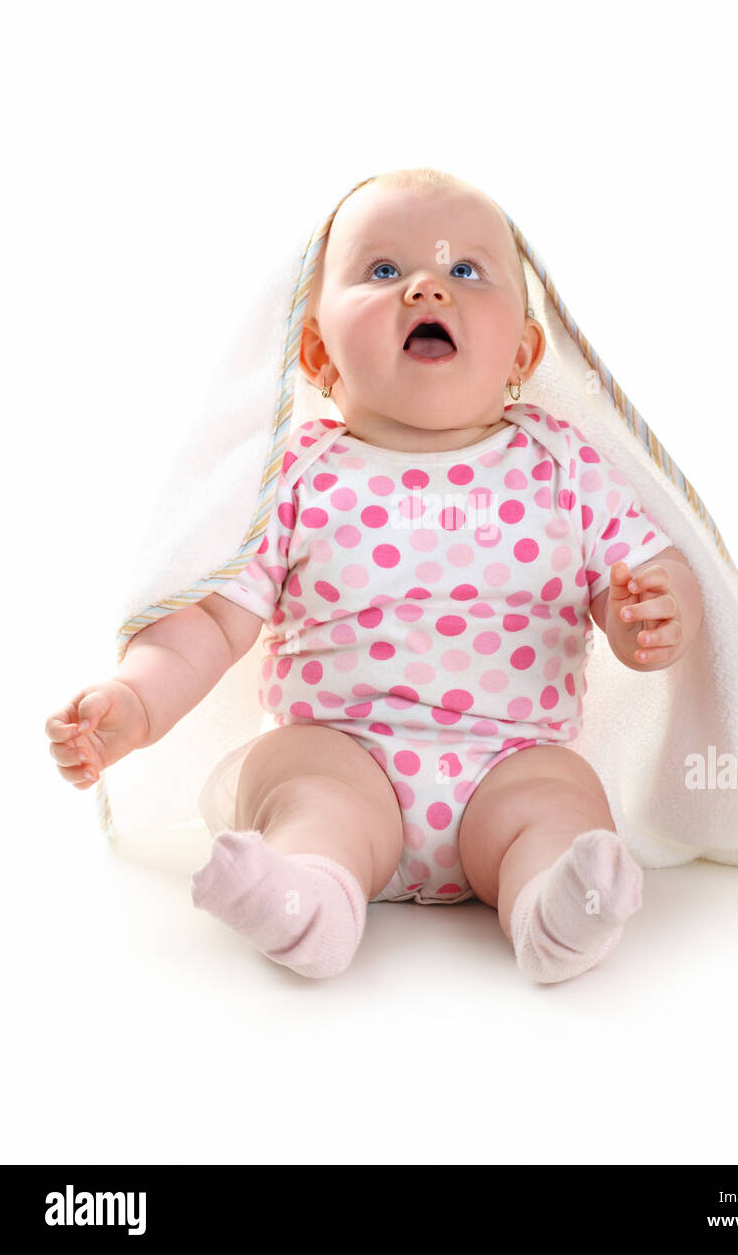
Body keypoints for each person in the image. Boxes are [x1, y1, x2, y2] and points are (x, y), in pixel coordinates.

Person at [45, 167, 703, 984]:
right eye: (383, 272)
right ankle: (309, 897)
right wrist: (136, 700)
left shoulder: (561, 465)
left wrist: (651, 620)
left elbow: (637, 582)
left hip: (507, 759)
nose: (427, 287)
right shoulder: (291, 476)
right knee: (306, 788)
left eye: (466, 271)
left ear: (523, 354)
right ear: (318, 351)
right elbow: (213, 623)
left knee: (560, 799)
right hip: (343, 749)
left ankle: (552, 904)